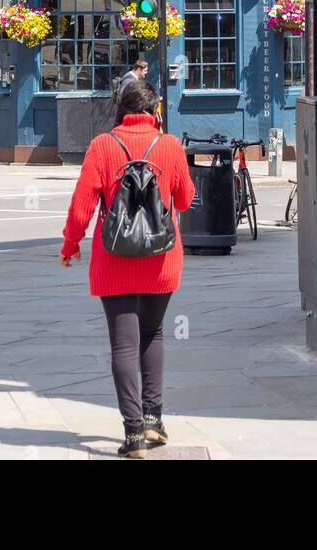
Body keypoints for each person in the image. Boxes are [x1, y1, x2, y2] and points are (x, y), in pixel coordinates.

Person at [60, 80, 195, 458]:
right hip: (161, 258)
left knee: (123, 344)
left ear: (120, 109)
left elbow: (82, 205)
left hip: (115, 258)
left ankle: (134, 434)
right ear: (154, 111)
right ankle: (154, 419)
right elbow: (185, 198)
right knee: (153, 334)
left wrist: (70, 245)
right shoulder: (169, 145)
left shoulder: (103, 146)